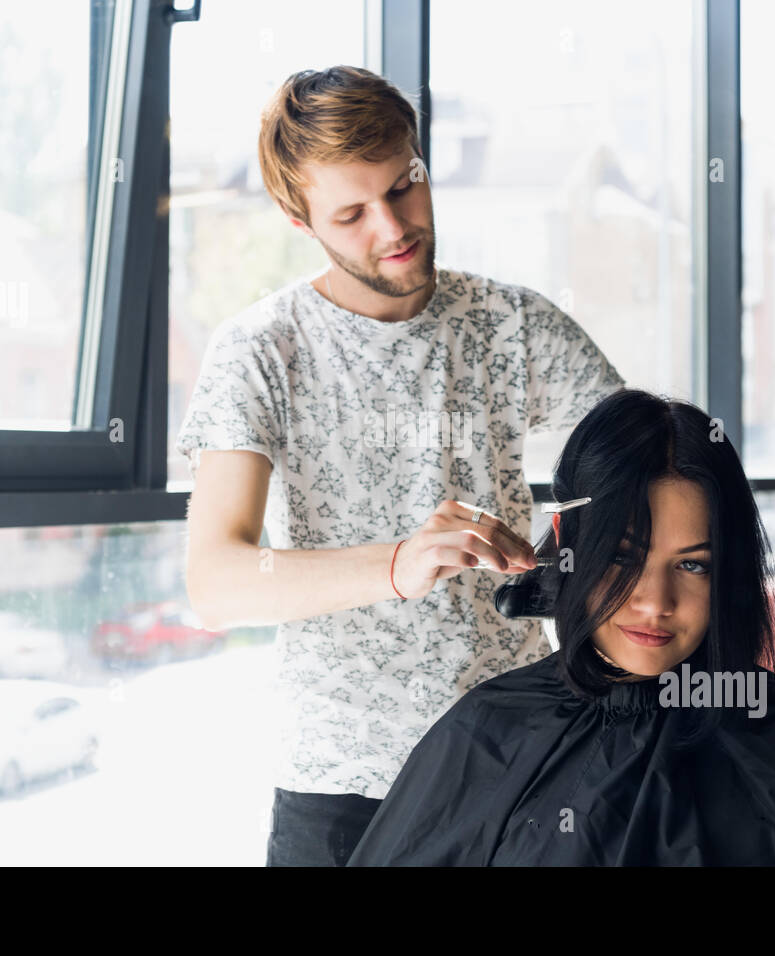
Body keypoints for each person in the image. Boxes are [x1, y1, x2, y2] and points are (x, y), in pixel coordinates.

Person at [174, 66, 627, 866]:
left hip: (515, 762)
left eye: (404, 185)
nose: (393, 227)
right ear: (298, 219)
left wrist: (572, 554)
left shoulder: (513, 323)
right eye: (351, 214)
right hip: (338, 786)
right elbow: (216, 584)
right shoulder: (260, 351)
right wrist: (397, 564)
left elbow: (648, 466)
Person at [347, 388, 775, 866]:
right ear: (570, 546)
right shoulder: (487, 732)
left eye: (692, 565)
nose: (655, 603)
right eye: (622, 559)